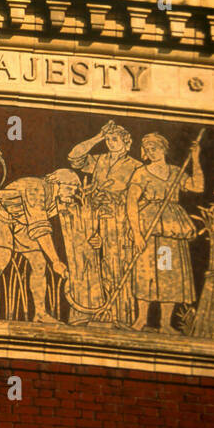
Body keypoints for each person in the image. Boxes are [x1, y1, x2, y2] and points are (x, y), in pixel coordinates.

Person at [0, 170, 73, 322]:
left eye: (74, 189)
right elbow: (40, 229)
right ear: (56, 182)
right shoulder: (36, 189)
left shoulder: (51, 194)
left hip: (22, 223)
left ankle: (40, 313)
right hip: (1, 220)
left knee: (39, 263)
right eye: (69, 188)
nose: (72, 192)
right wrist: (56, 261)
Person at [127, 133, 202, 334]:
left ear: (164, 149)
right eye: (148, 149)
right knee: (146, 272)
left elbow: (198, 186)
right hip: (149, 228)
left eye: (155, 148)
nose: (152, 152)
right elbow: (131, 203)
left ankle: (165, 324)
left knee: (167, 272)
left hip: (170, 229)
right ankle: (141, 319)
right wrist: (136, 233)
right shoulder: (141, 173)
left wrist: (195, 158)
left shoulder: (176, 171)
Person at [67, 122, 141, 326]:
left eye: (114, 139)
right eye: (108, 139)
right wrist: (98, 136)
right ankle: (93, 311)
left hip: (120, 222)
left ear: (127, 142)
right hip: (95, 219)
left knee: (117, 266)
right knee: (94, 265)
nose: (110, 143)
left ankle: (119, 315)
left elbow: (138, 200)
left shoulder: (136, 167)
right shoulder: (99, 160)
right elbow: (74, 157)